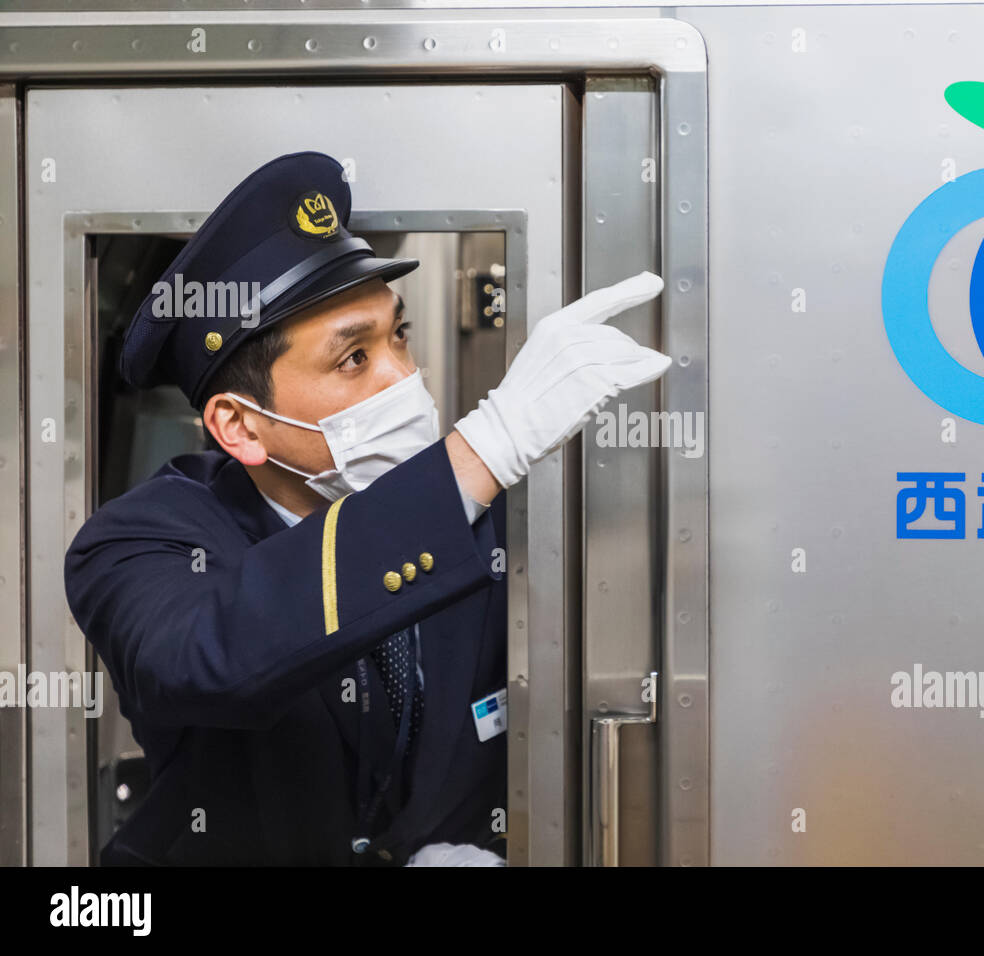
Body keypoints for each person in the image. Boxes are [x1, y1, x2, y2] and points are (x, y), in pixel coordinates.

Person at [63, 151, 670, 865]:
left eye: (399, 336)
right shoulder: (137, 544)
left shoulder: (485, 520)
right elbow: (210, 658)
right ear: (240, 426)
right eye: (354, 358)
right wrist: (488, 443)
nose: (404, 378)